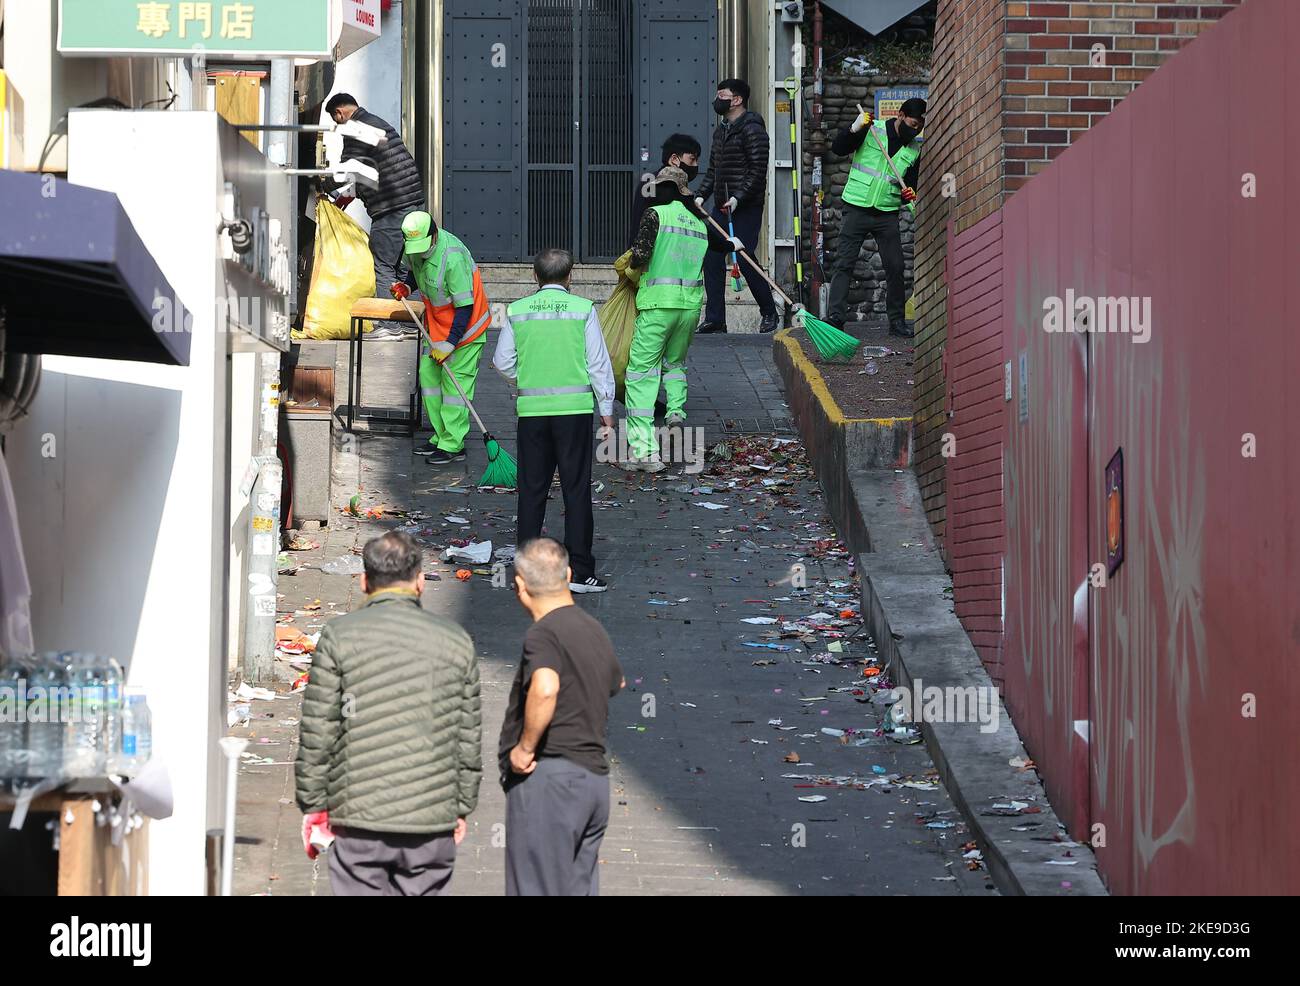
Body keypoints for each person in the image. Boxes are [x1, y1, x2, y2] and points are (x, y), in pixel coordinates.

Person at [295, 530, 481, 896]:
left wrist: (313, 803)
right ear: (420, 582)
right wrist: (461, 806)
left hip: (358, 820)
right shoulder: (456, 640)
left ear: (364, 582)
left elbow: (319, 729)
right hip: (431, 822)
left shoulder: (339, 636)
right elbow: (467, 735)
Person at [498, 538, 624, 896]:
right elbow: (618, 680)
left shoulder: (544, 633)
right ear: (568, 575)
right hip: (593, 785)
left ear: (520, 585)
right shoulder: (593, 629)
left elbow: (546, 687)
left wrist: (524, 748)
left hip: (551, 782)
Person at [492, 248, 615, 594]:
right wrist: (606, 409)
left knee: (532, 491)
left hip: (532, 413)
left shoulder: (517, 311)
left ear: (535, 276)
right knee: (576, 491)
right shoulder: (583, 310)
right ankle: (579, 570)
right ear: (570, 277)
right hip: (574, 413)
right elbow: (598, 364)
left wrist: (524, 377)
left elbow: (502, 363)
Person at [621, 166, 740, 472]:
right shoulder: (698, 223)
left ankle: (644, 452)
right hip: (688, 308)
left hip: (658, 306)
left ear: (665, 190)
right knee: (675, 364)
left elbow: (641, 256)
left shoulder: (655, 215)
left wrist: (628, 270)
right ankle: (675, 412)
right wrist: (732, 244)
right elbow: (719, 246)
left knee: (641, 374)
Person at [325, 92, 426, 339]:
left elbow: (348, 171)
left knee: (383, 266)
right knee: (406, 269)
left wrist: (323, 184)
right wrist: (345, 197)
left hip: (391, 208)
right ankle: (410, 326)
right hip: (413, 205)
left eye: (336, 122)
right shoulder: (376, 123)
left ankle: (388, 327)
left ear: (339, 114)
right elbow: (367, 171)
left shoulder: (356, 129)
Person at [827, 97, 926, 339]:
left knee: (895, 266)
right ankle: (836, 318)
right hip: (857, 207)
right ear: (901, 115)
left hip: (887, 213)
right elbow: (838, 148)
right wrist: (854, 128)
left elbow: (910, 187)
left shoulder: (914, 149)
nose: (915, 131)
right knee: (844, 263)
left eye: (919, 127)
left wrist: (908, 194)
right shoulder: (872, 129)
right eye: (912, 124)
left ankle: (897, 322)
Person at [401, 211, 493, 463]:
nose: (418, 252)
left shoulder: (452, 256)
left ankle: (453, 443)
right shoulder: (414, 246)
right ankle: (440, 435)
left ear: (434, 235)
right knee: (428, 378)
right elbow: (415, 272)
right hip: (436, 326)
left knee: (455, 387)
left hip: (466, 331)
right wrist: (407, 287)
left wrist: (451, 343)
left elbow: (465, 307)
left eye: (422, 246)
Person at [695, 79, 777, 335]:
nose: (718, 98)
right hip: (722, 205)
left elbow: (757, 170)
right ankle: (715, 319)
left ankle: (769, 312)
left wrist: (739, 197)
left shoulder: (752, 129)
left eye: (723, 94)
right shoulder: (721, 131)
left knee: (743, 255)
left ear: (738, 99)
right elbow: (713, 170)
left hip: (745, 206)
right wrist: (700, 195)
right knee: (712, 256)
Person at [628, 133, 702, 248]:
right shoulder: (665, 186)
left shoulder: (650, 181)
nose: (695, 165)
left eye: (697, 161)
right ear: (674, 159)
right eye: (692, 160)